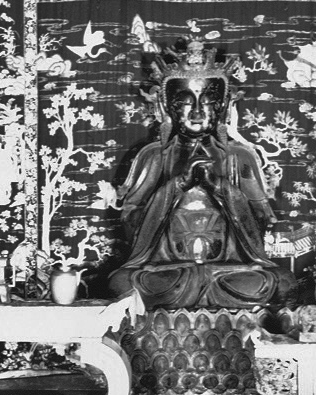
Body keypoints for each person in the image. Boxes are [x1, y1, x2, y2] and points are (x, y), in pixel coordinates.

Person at [108, 39, 295, 311]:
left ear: (222, 107)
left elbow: (261, 221)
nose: (197, 111)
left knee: (280, 281)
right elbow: (130, 223)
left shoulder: (239, 157)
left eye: (208, 101)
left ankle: (199, 294)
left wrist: (220, 188)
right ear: (166, 107)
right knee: (122, 282)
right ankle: (204, 296)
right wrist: (175, 187)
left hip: (227, 269)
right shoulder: (153, 156)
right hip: (169, 270)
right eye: (185, 102)